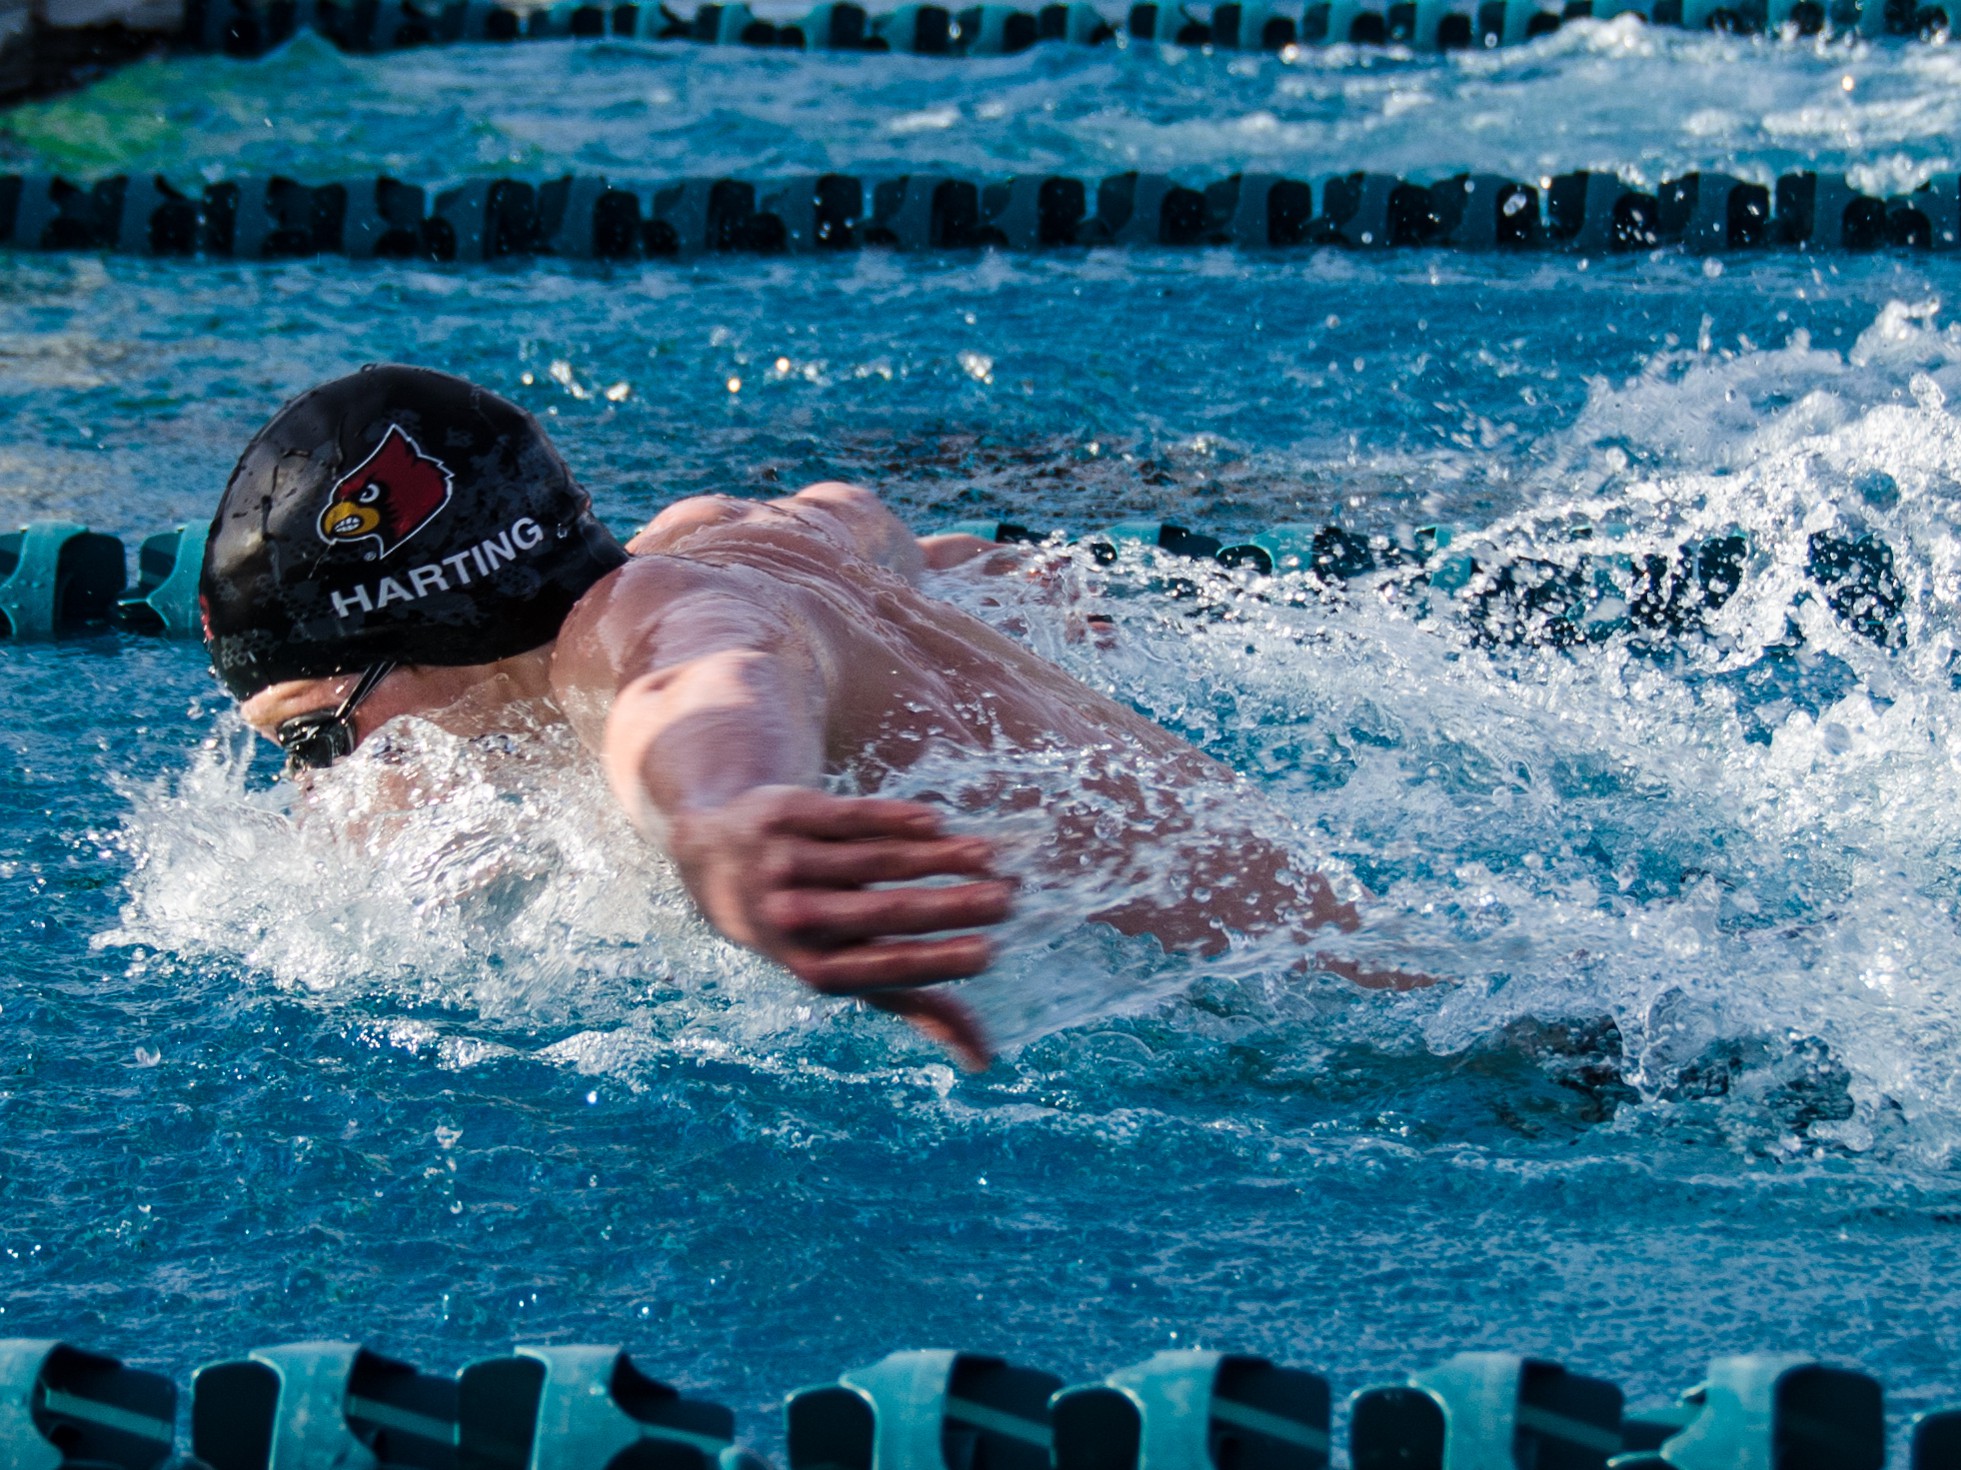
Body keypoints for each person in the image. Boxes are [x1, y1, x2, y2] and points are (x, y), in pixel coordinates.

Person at [202, 364, 1409, 1069]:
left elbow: (697, 688)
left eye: (320, 735)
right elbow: (854, 514)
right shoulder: (715, 540)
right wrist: (983, 589)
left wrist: (727, 821)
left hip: (1372, 1047)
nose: (329, 785)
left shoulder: (639, 624)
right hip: (1373, 973)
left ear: (437, 628)